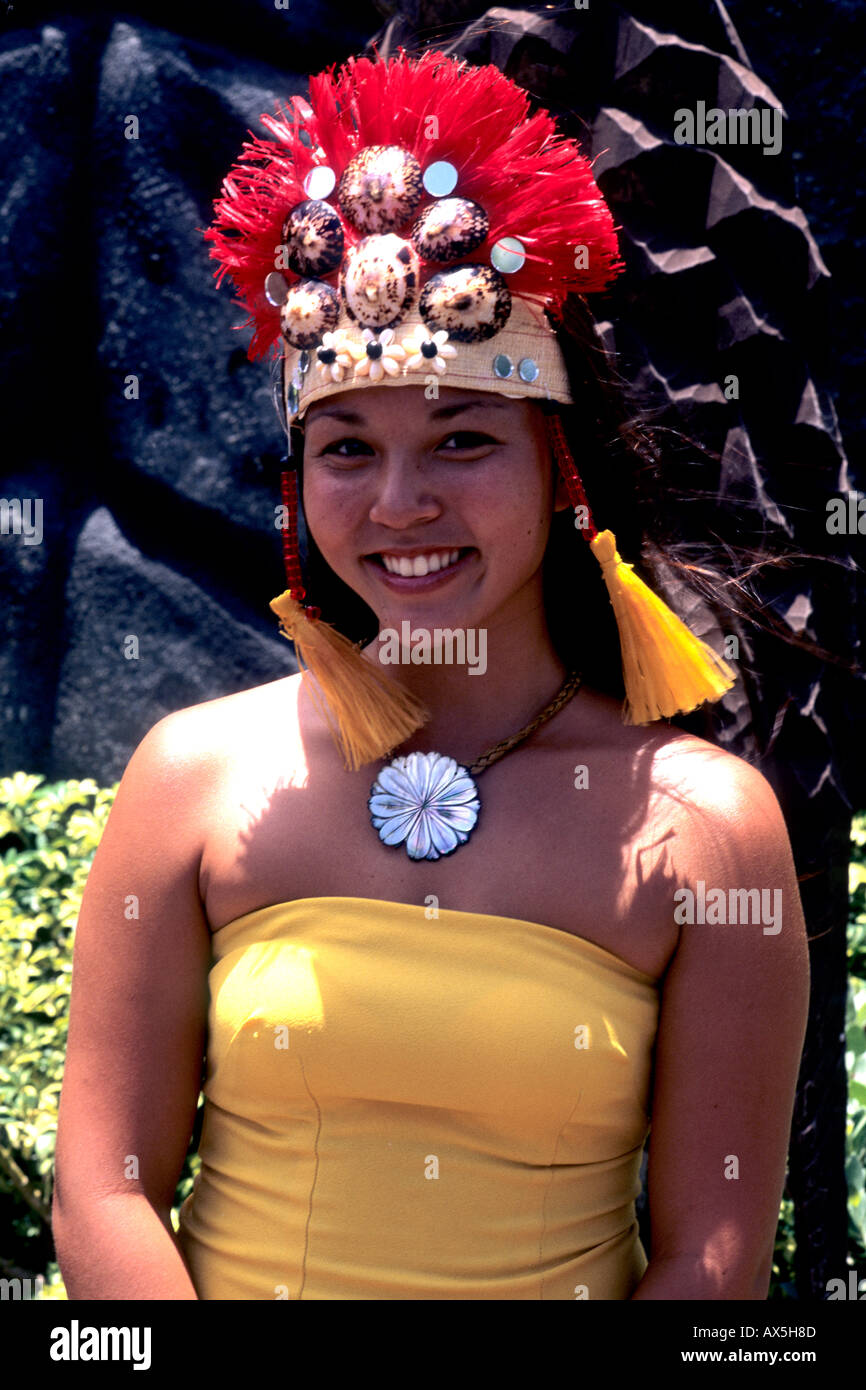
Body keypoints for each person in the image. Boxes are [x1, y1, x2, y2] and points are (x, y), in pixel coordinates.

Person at [51, 49, 809, 1300]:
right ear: (299, 488)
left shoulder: (707, 830)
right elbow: (107, 1184)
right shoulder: (191, 778)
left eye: (460, 438)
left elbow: (708, 1265)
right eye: (346, 447)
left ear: (561, 469)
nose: (401, 504)